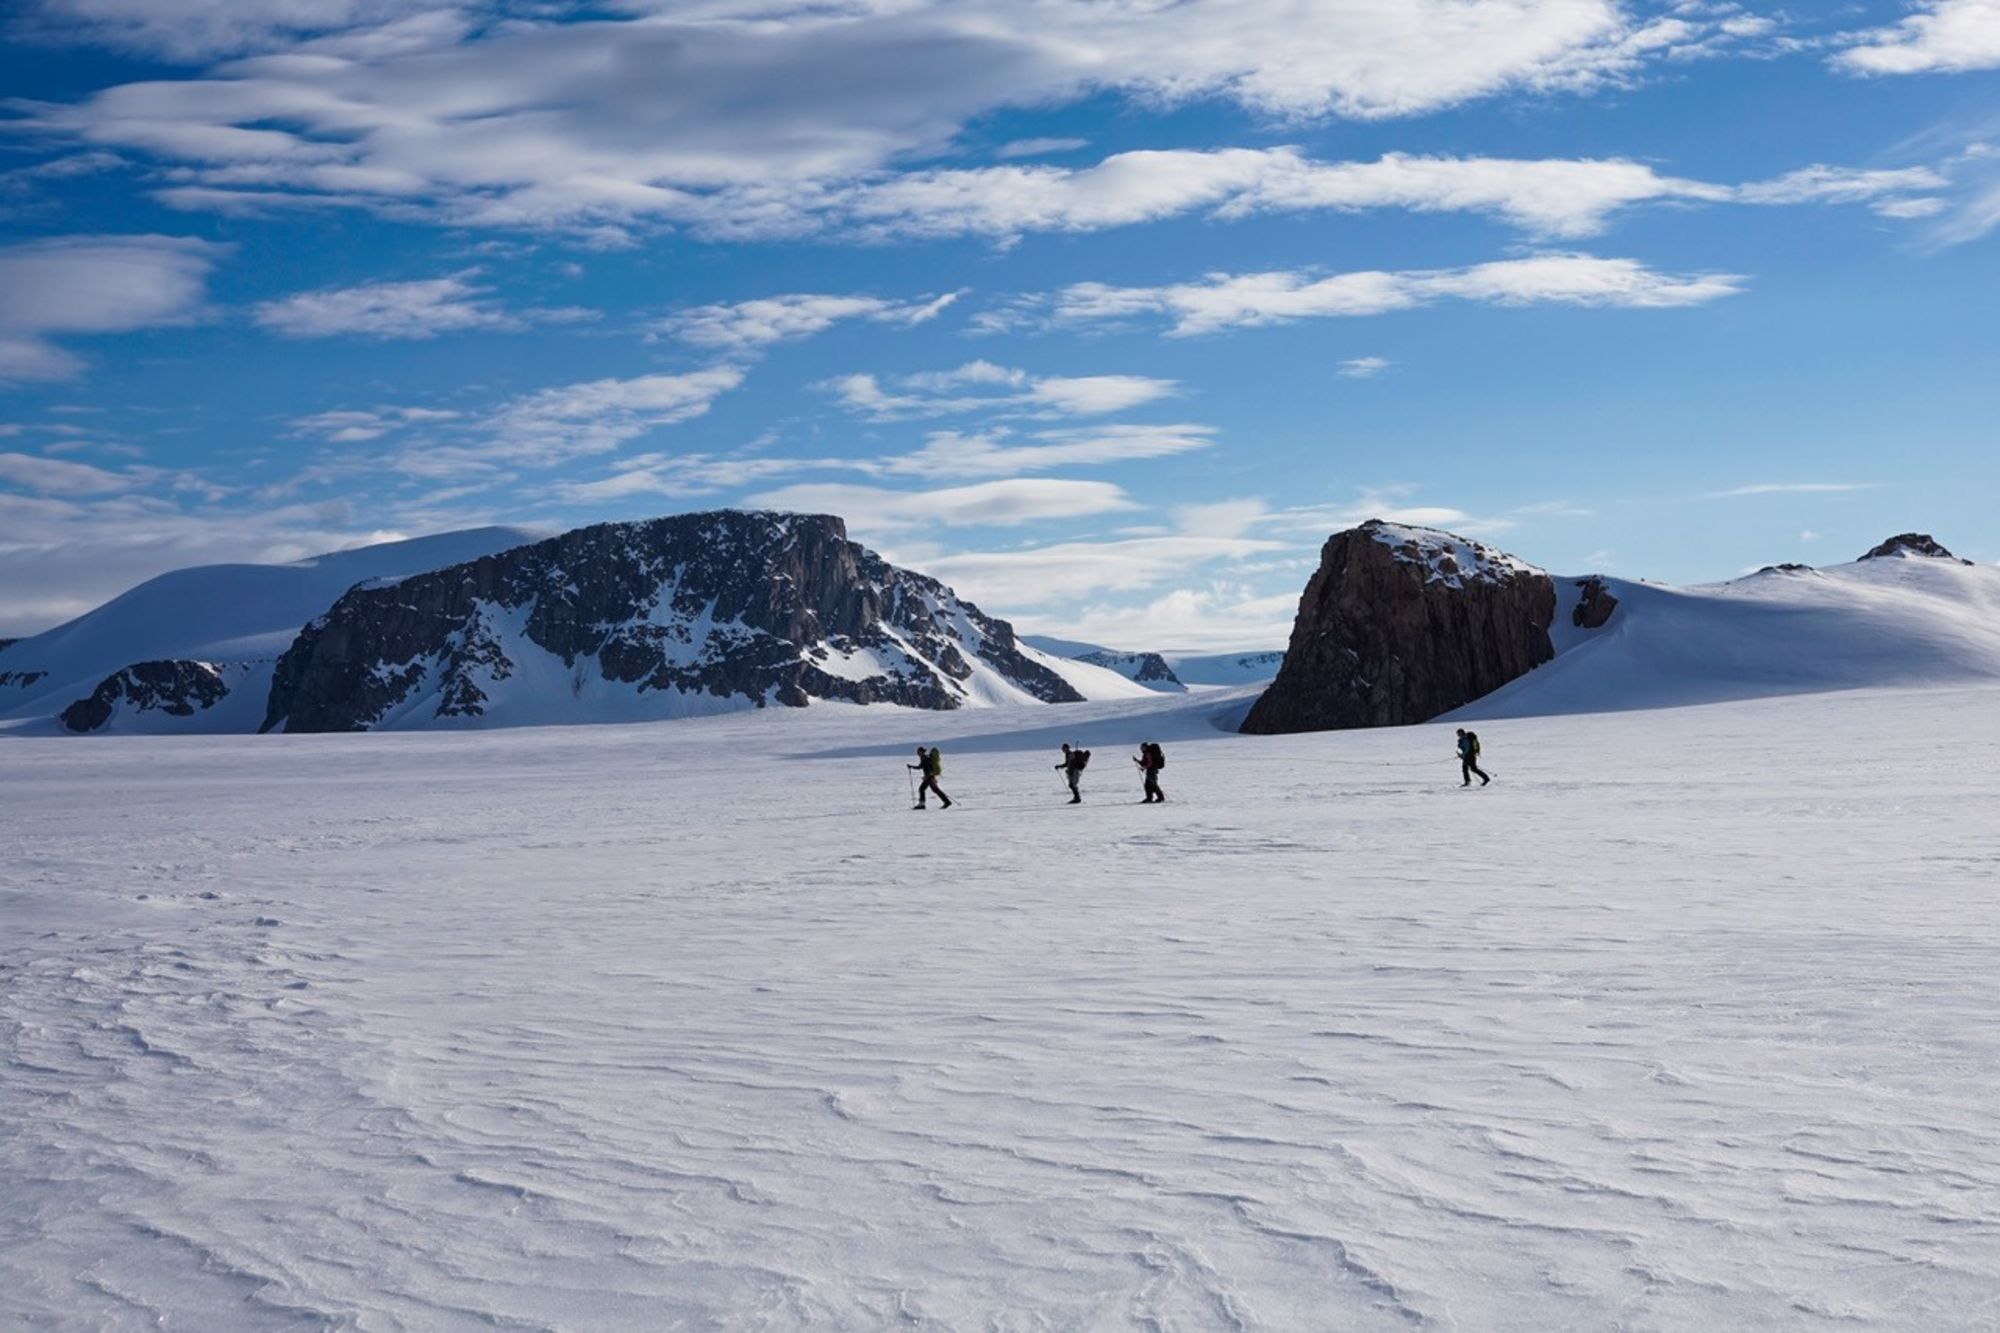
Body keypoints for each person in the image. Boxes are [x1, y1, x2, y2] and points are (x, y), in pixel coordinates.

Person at [909, 745, 951, 809]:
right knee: (935, 790)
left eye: (919, 752)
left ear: (922, 752)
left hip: (929, 777)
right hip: (930, 777)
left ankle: (922, 804)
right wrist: (911, 766)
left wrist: (927, 776)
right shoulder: (924, 758)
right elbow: (920, 767)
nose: (918, 754)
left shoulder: (925, 758)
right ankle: (947, 802)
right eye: (918, 752)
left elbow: (928, 768)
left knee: (921, 789)